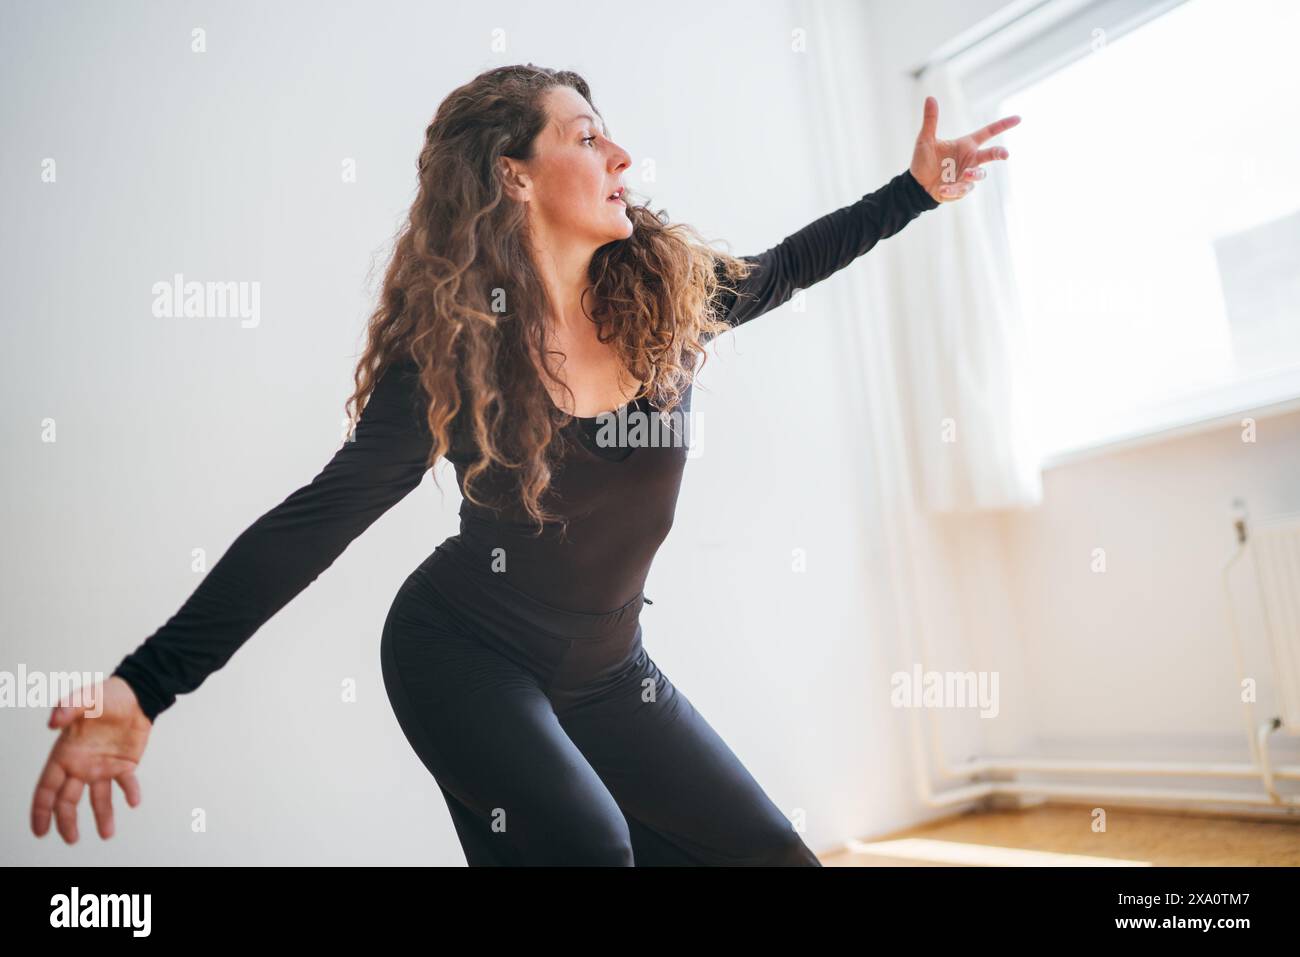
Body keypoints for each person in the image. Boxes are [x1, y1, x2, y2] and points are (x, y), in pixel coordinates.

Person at [30, 64, 1018, 865]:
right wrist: (143, 684)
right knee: (589, 845)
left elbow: (786, 267)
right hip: (461, 653)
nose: (620, 154)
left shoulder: (660, 297)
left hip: (610, 667)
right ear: (512, 175)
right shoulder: (456, 351)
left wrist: (915, 191)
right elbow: (325, 512)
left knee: (768, 857)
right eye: (587, 136)